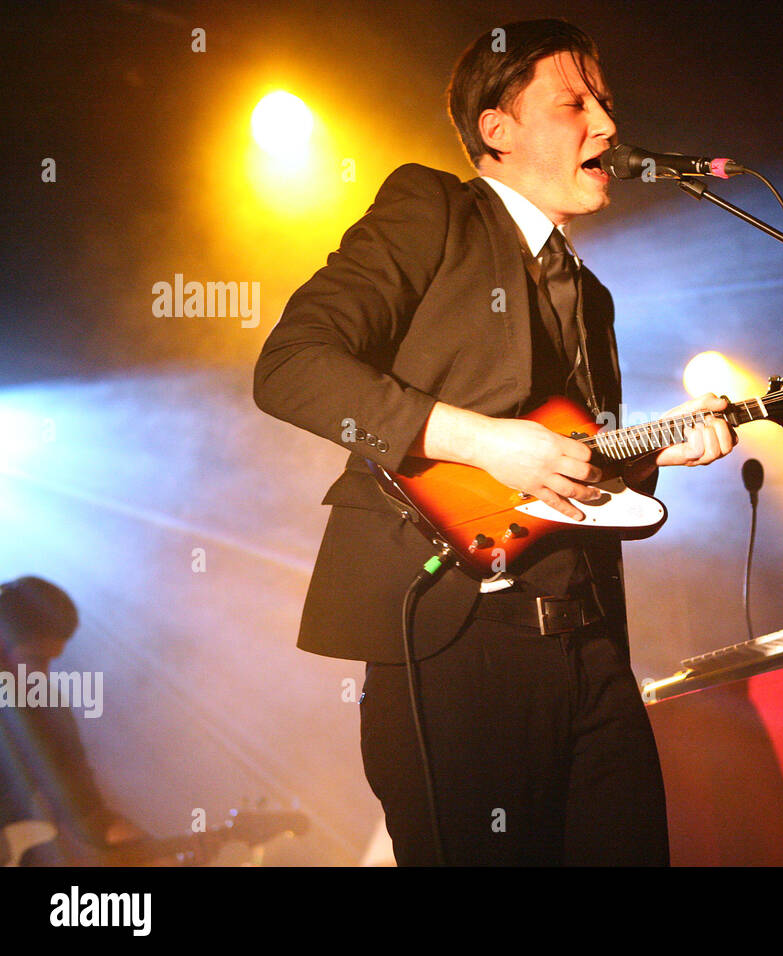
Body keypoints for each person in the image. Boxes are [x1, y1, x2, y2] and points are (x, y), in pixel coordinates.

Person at [253, 19, 735, 865]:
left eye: (608, 105)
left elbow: (564, 466)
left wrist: (658, 451)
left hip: (588, 646)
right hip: (452, 640)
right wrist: (481, 441)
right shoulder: (431, 207)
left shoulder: (593, 296)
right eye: (575, 103)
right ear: (497, 129)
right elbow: (291, 367)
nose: (609, 126)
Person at [0, 576, 143, 864]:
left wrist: (159, 848)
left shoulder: (49, 710)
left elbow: (88, 814)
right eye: (35, 659)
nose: (43, 674)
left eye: (51, 661)